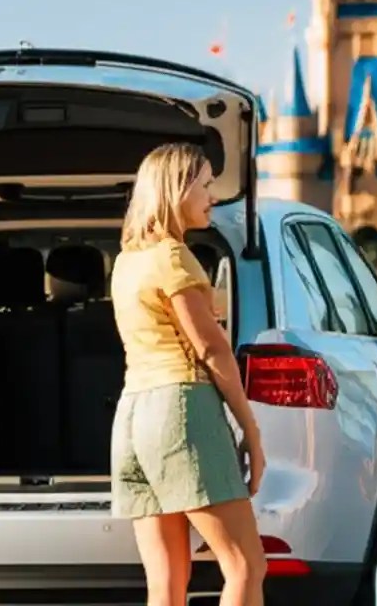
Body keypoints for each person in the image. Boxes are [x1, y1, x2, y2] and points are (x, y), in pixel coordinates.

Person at [110, 142, 267, 606]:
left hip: (133, 418)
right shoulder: (173, 257)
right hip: (180, 410)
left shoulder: (126, 262)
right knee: (245, 565)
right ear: (176, 190)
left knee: (165, 583)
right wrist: (250, 430)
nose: (211, 196)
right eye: (204, 185)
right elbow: (212, 348)